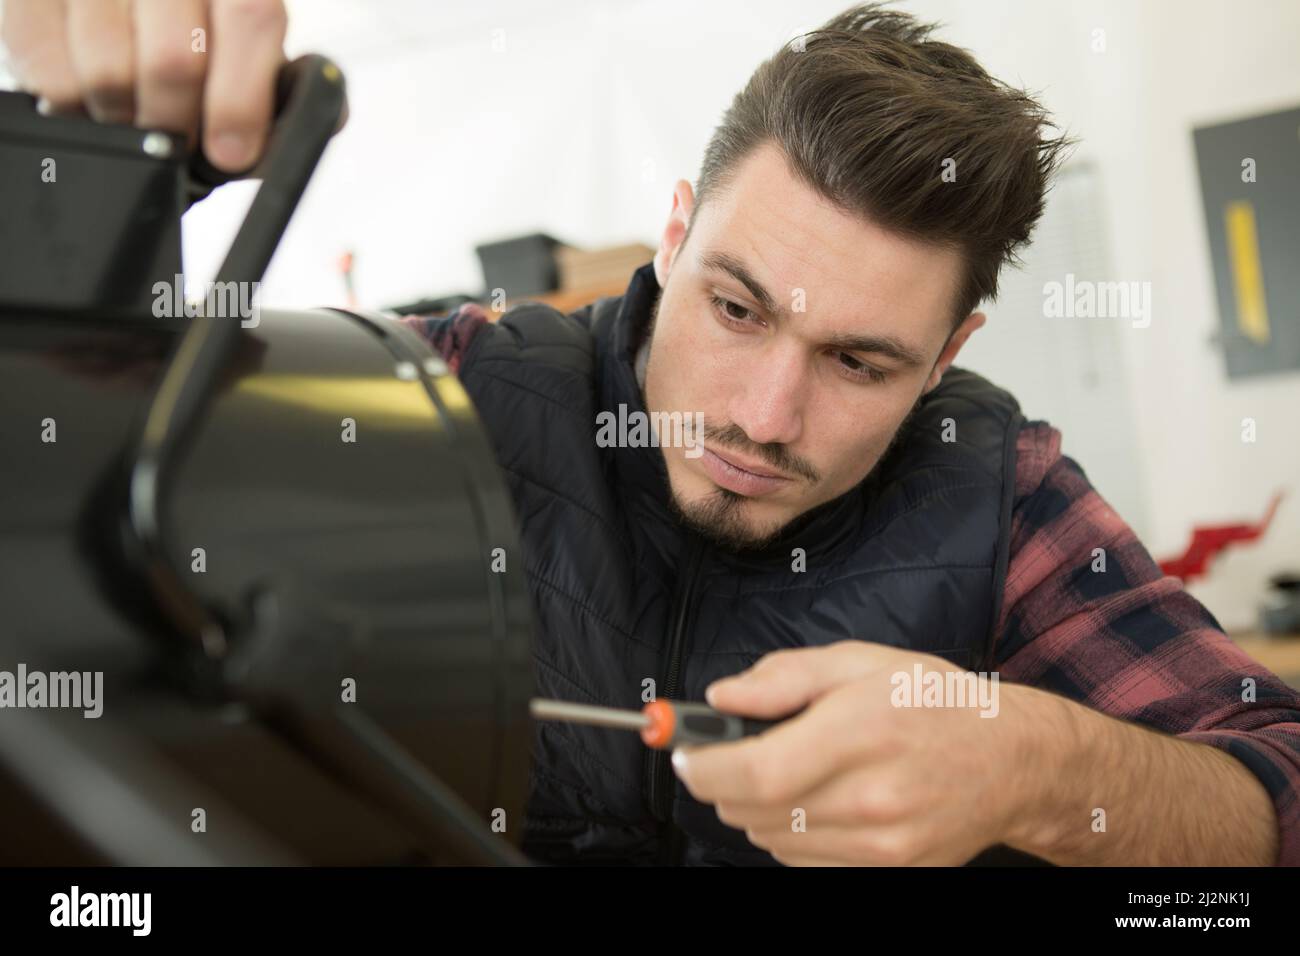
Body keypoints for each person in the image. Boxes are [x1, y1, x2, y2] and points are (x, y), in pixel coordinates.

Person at [6, 0, 1298, 867]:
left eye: (860, 361)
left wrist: (1036, 764)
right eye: (735, 307)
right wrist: (100, 199)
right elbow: (78, 515)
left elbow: (1278, 781)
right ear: (674, 232)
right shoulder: (453, 388)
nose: (759, 416)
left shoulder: (1002, 497)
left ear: (948, 358)